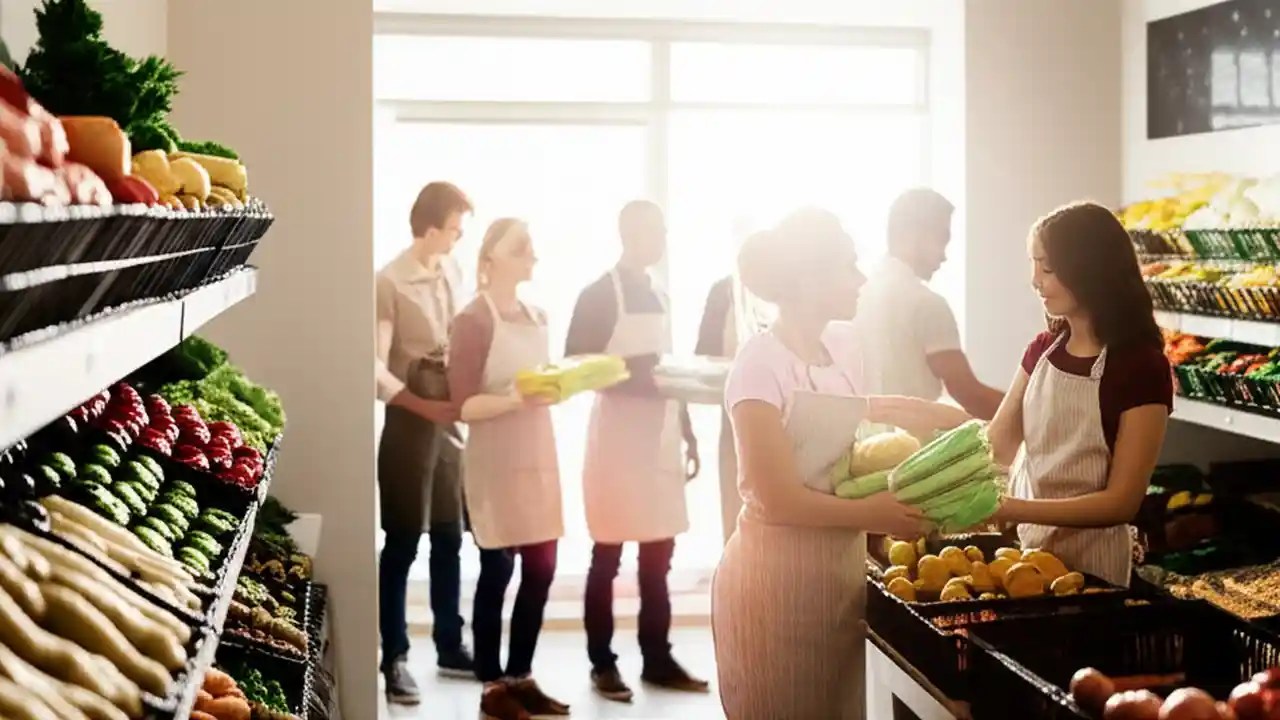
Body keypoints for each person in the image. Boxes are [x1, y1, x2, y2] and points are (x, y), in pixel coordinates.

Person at [714, 208, 968, 719]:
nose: (861, 279)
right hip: (773, 584)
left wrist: (919, 434)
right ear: (809, 280)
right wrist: (874, 514)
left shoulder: (844, 346)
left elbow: (845, 452)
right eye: (848, 266)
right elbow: (776, 498)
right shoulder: (758, 364)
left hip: (839, 580)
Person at [565, 200, 707, 701]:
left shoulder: (661, 294)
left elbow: (669, 369)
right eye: (656, 230)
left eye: (665, 230)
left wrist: (687, 431)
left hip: (661, 435)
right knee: (607, 555)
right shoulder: (600, 293)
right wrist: (634, 371)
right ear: (629, 233)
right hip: (618, 440)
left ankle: (657, 658)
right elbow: (574, 364)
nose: (663, 239)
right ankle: (602, 663)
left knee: (659, 557)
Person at [987, 201, 1171, 587]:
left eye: (1047, 268)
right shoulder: (1043, 349)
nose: (1035, 280)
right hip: (1025, 560)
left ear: (1089, 270)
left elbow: (1121, 503)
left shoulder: (1141, 368)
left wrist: (1012, 508)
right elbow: (997, 445)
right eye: (1033, 265)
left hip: (1095, 575)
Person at [448, 219, 570, 720]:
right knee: (497, 570)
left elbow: (542, 384)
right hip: (494, 461)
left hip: (538, 455)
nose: (530, 256)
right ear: (491, 257)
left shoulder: (538, 315)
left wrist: (561, 386)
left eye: (531, 248)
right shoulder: (472, 320)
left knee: (542, 569)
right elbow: (463, 405)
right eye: (520, 247)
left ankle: (521, 677)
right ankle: (492, 687)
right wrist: (517, 398)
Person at [375, 181, 473, 704]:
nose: (458, 240)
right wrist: (424, 406)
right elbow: (375, 368)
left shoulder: (451, 272)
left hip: (450, 425)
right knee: (403, 543)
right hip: (409, 426)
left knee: (450, 538)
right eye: (454, 230)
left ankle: (451, 646)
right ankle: (394, 656)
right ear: (431, 228)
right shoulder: (389, 282)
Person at [854, 188, 1004, 419]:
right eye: (941, 240)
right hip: (914, 445)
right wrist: (1037, 413)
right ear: (912, 234)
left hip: (863, 441)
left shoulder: (857, 295)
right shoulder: (927, 304)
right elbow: (969, 393)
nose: (943, 256)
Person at [695, 272, 739, 544]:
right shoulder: (723, 291)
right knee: (738, 526)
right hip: (736, 421)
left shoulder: (810, 290)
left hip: (801, 423)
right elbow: (706, 358)